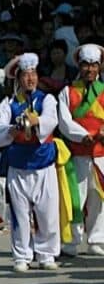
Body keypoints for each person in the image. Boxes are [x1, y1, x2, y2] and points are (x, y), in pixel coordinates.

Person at [0, 53, 61, 272]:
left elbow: (51, 120)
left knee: (48, 213)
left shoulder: (47, 99)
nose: (30, 78)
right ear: (18, 79)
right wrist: (13, 128)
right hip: (19, 165)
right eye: (25, 75)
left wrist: (37, 120)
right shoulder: (8, 104)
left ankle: (46, 254)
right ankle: (22, 255)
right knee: (20, 214)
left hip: (44, 163)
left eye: (33, 74)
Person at [57, 44, 104, 256]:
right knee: (76, 197)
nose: (90, 70)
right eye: (86, 65)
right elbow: (64, 122)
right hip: (78, 152)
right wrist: (82, 135)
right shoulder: (68, 91)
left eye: (94, 65)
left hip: (101, 153)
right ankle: (72, 241)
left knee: (98, 197)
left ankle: (96, 238)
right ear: (80, 66)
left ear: (100, 67)